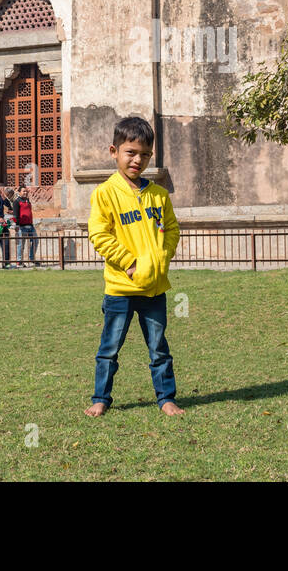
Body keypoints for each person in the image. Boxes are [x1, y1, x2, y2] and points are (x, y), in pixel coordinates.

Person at [84, 116, 183, 417]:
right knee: (109, 349)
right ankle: (101, 398)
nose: (137, 160)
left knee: (159, 348)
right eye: (130, 152)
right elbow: (99, 235)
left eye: (144, 154)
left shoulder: (159, 195)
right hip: (121, 288)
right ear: (114, 151)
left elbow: (172, 230)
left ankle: (166, 398)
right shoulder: (105, 193)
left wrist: (161, 260)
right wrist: (128, 263)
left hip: (154, 288)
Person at [14, 185, 38, 265]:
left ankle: (31, 258)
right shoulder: (16, 202)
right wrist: (17, 226)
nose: (25, 193)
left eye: (26, 191)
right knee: (21, 244)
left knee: (35, 241)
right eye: (23, 191)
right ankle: (19, 261)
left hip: (30, 226)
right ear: (19, 192)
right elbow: (15, 215)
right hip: (21, 226)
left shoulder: (28, 201)